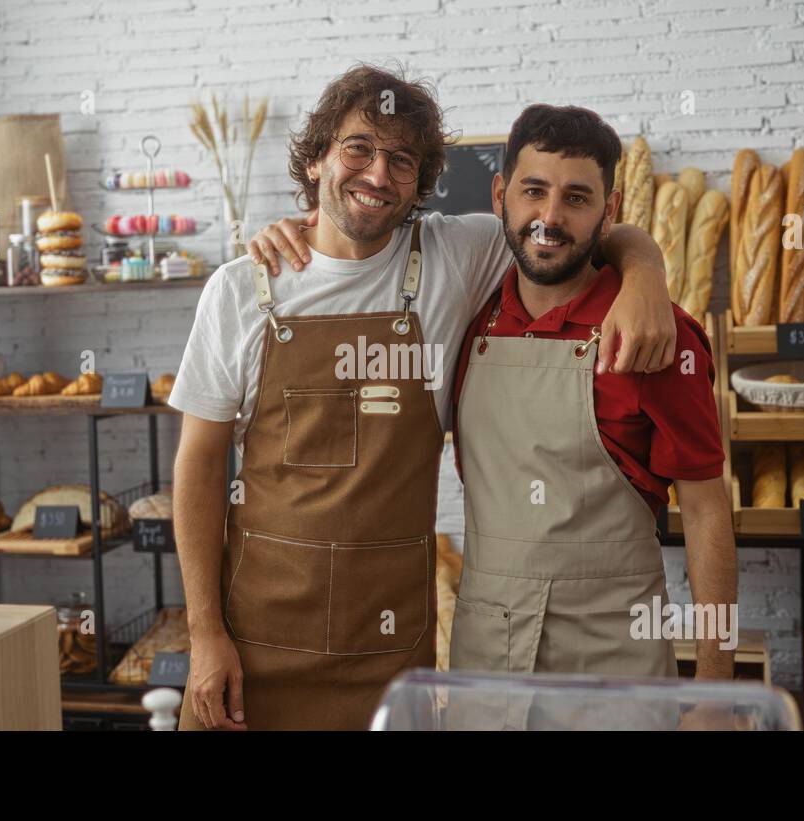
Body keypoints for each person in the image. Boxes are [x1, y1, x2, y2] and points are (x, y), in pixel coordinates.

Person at [171, 64, 675, 731]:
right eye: (358, 148)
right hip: (254, 647)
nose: (378, 175)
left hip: (389, 659)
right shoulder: (240, 290)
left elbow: (571, 230)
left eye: (402, 160)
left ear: (420, 181)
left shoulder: (454, 255)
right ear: (317, 155)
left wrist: (647, 273)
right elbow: (198, 469)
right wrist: (205, 634)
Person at [446, 104, 736, 689]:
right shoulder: (465, 313)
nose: (549, 218)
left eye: (577, 198)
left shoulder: (657, 337)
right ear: (501, 193)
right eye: (533, 191)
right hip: (484, 656)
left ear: (611, 209)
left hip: (615, 660)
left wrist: (715, 686)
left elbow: (707, 515)